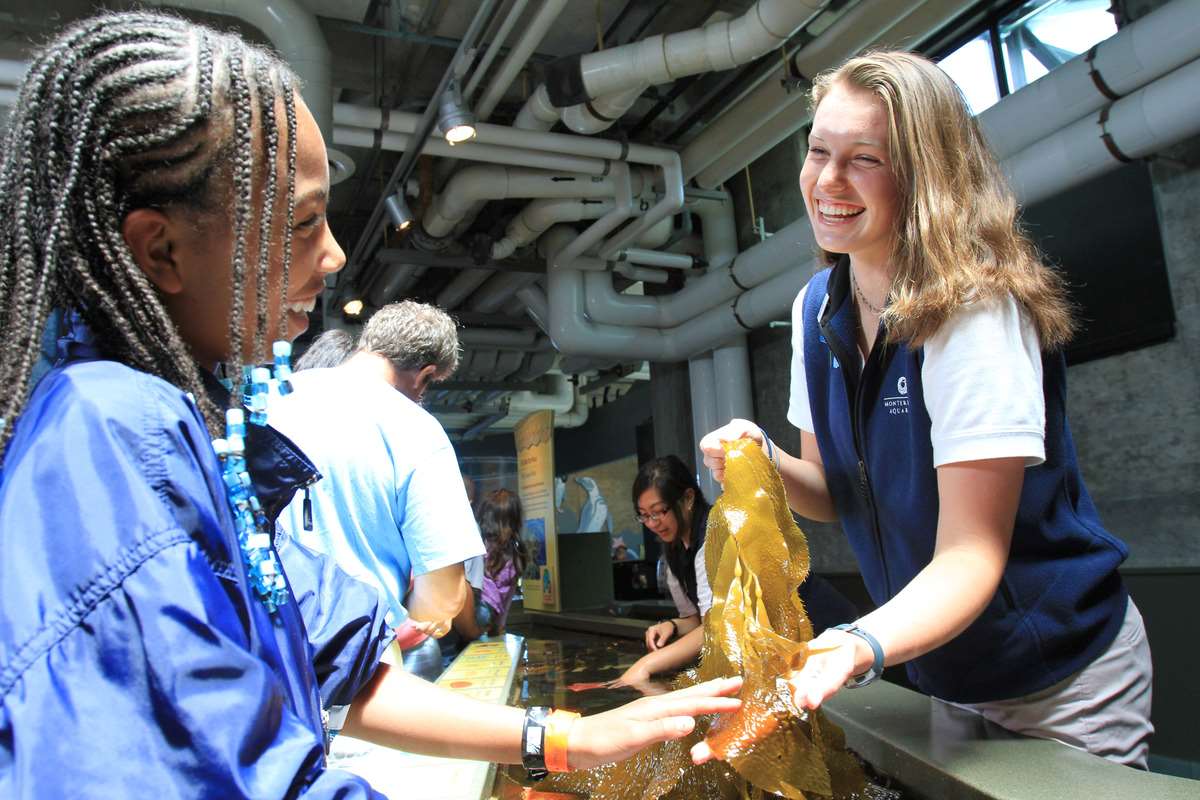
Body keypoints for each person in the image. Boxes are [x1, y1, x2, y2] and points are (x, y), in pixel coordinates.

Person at [0, 12, 743, 795]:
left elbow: (341, 664)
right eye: (302, 222)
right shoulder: (114, 441)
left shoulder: (196, 434)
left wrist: (565, 737)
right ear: (162, 250)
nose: (336, 255)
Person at [698, 51, 1152, 768]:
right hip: (942, 664)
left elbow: (972, 552)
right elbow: (829, 492)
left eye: (864, 159)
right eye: (819, 151)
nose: (827, 181)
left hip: (1057, 675)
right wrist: (762, 459)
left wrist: (859, 642)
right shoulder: (818, 309)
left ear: (921, 173)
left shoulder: (972, 310)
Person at [269, 301, 482, 645]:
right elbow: (443, 594)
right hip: (355, 660)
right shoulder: (416, 429)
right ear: (425, 375)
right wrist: (417, 612)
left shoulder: (271, 398)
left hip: (264, 645)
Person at [613, 456, 712, 687]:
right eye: (644, 515)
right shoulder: (675, 550)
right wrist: (673, 625)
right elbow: (697, 619)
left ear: (688, 498)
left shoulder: (713, 538)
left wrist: (647, 664)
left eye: (658, 512)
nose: (652, 523)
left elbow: (715, 628)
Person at [476, 488, 529, 636]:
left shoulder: (513, 554)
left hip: (483, 614)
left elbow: (508, 595)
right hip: (480, 613)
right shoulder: (480, 549)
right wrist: (499, 626)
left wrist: (499, 626)